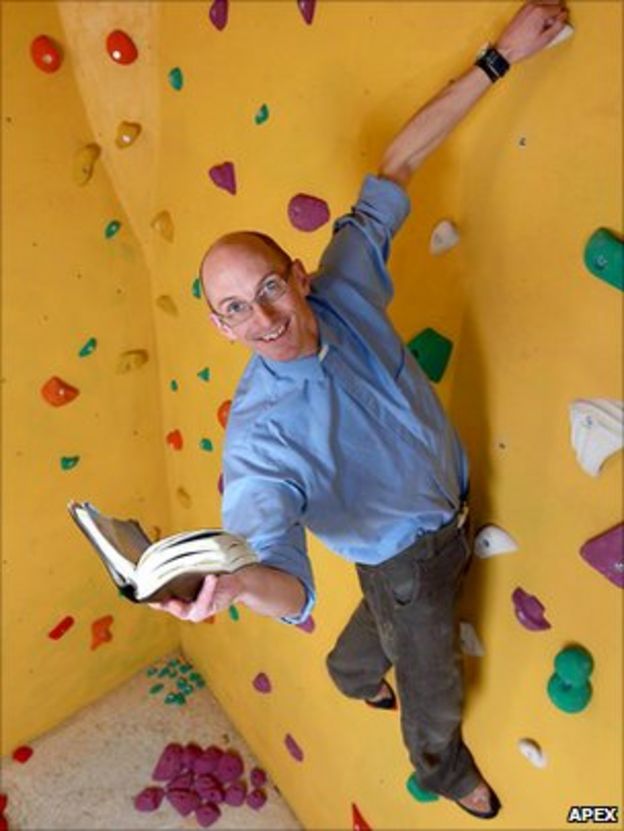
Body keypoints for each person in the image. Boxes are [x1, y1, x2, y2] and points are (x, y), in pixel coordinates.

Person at [150, 1, 569, 819]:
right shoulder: (260, 439)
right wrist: (235, 585)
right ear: (217, 323)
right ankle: (444, 770)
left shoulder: (345, 283)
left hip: (451, 506)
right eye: (234, 310)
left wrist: (502, 57)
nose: (261, 319)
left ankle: (349, 675)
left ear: (300, 274)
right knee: (432, 679)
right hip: (405, 564)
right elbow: (280, 570)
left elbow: (400, 161)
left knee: (371, 636)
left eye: (268, 288)